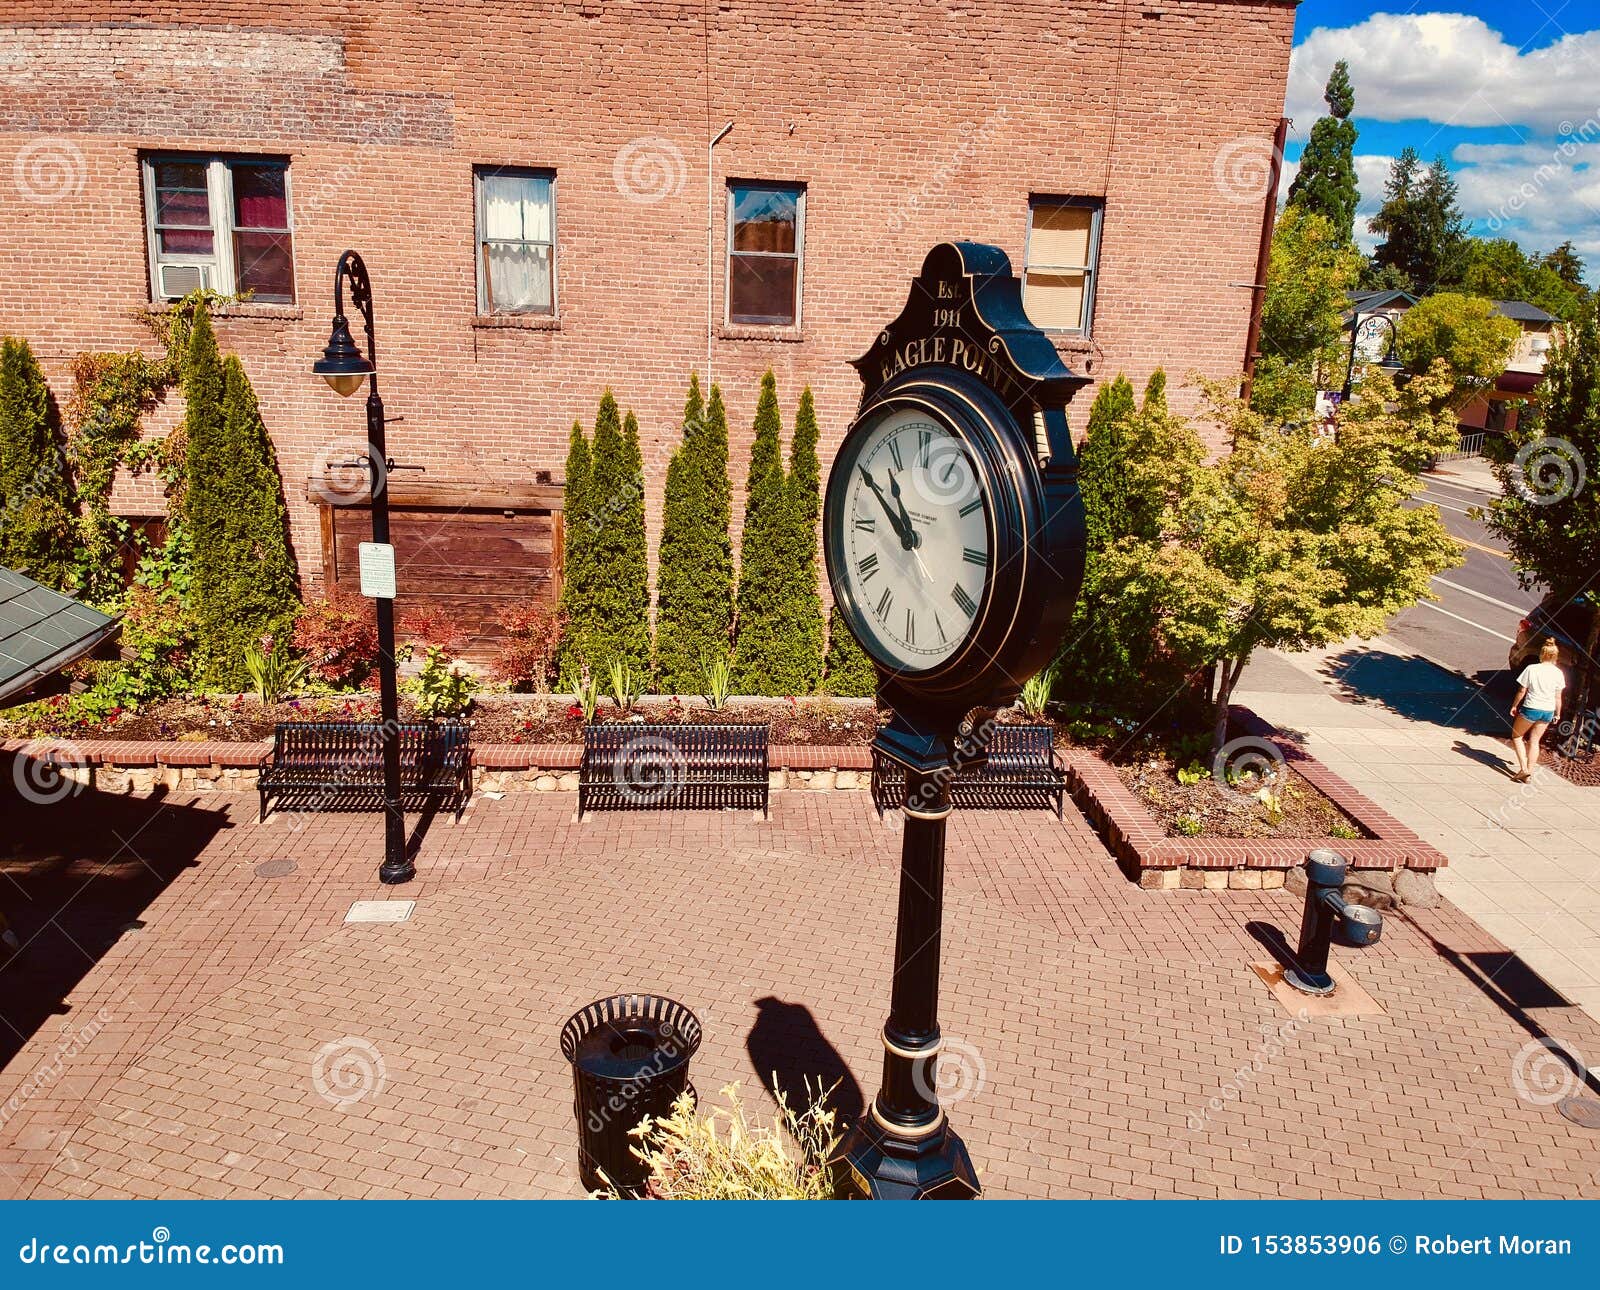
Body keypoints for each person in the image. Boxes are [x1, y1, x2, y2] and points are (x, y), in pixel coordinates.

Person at [1509, 638, 1565, 782]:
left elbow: (1522, 690)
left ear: (1542, 654)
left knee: (1517, 736)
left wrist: (1514, 705)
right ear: (1555, 656)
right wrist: (1558, 714)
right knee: (1535, 741)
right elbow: (1558, 697)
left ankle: (1524, 769)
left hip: (1531, 707)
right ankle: (1529, 773)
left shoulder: (1532, 669)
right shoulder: (1558, 673)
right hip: (1548, 710)